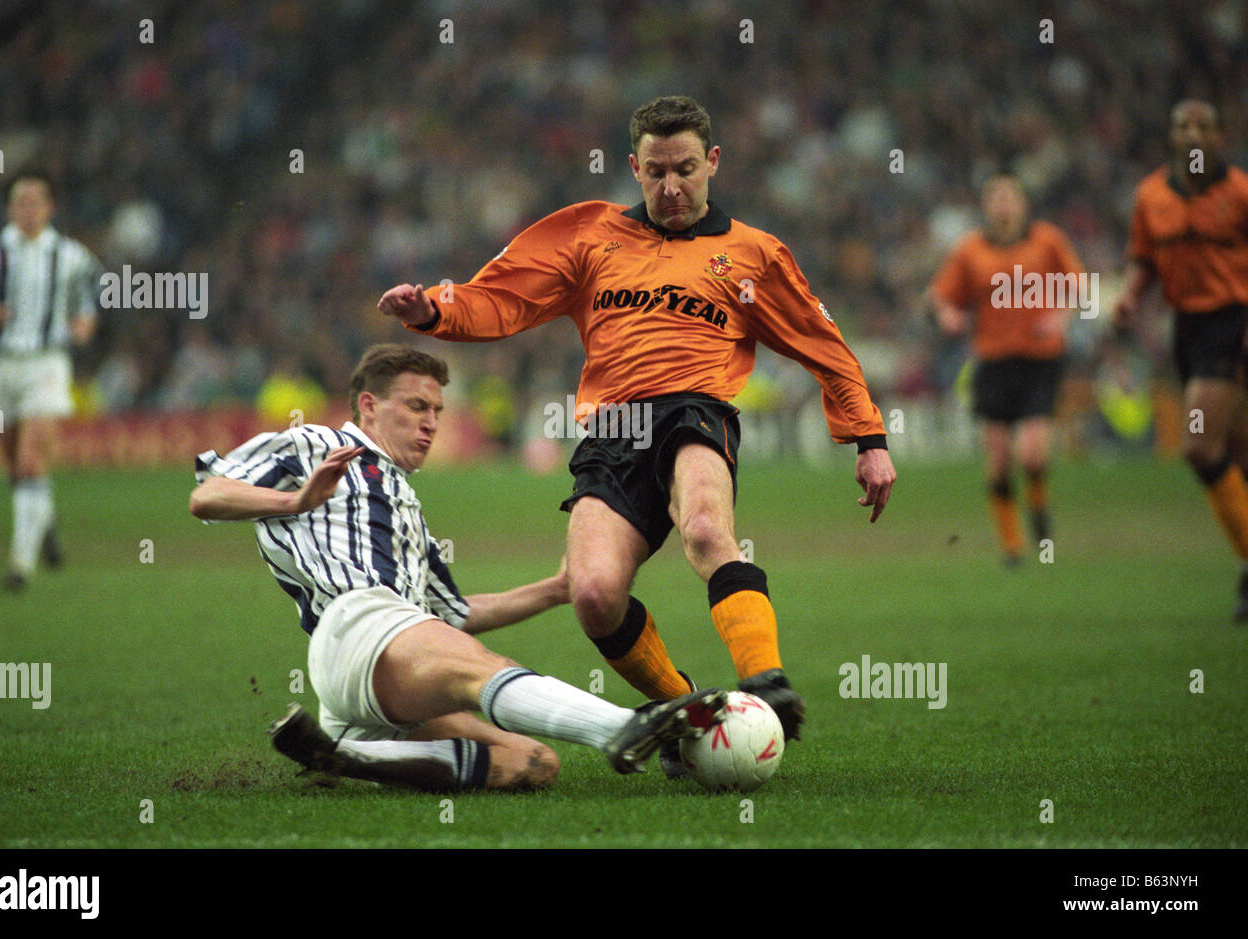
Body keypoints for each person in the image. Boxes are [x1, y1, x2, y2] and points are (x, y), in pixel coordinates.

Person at [378, 96, 897, 759]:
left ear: (713, 162)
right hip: (613, 427)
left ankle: (766, 682)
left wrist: (869, 440)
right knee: (593, 594)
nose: (670, 186)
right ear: (634, 167)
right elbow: (505, 294)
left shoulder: (753, 254)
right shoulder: (588, 234)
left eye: (685, 169)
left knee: (706, 529)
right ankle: (685, 712)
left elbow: (823, 346)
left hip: (695, 411)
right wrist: (432, 310)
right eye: (656, 172)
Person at [190, 343, 726, 791]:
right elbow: (208, 495)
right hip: (353, 627)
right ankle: (626, 727)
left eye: (437, 412)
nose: (430, 424)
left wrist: (556, 589)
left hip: (379, 667)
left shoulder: (404, 503)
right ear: (369, 405)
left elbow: (453, 616)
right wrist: (295, 501)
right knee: (479, 668)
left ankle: (353, 755)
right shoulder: (320, 442)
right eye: (416, 406)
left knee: (532, 763)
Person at [1112, 99, 1248, 620]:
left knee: (1197, 445)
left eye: (1203, 126)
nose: (1192, 134)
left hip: (1233, 322)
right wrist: (1130, 297)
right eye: (1182, 126)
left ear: (1220, 136)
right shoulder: (1151, 195)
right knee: (1235, 453)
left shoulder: (1240, 193)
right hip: (1186, 329)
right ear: (1171, 137)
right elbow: (1143, 258)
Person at [0, 173, 101, 591]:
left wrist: (85, 323)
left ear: (50, 207)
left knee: (31, 460)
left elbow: (92, 294)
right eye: (21, 201)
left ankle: (20, 564)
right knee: (15, 467)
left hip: (46, 365)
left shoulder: (70, 256)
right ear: (10, 208)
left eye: (36, 201)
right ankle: (43, 520)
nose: (29, 209)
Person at [929, 173, 1086, 565]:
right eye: (995, 198)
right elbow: (940, 295)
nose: (1003, 205)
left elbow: (1077, 285)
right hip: (993, 361)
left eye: (1009, 197)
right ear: (985, 206)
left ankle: (1038, 504)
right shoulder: (970, 250)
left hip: (1040, 359)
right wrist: (947, 314)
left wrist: (1060, 317)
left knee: (1031, 454)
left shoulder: (1047, 240)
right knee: (999, 460)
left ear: (1023, 204)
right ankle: (1012, 546)